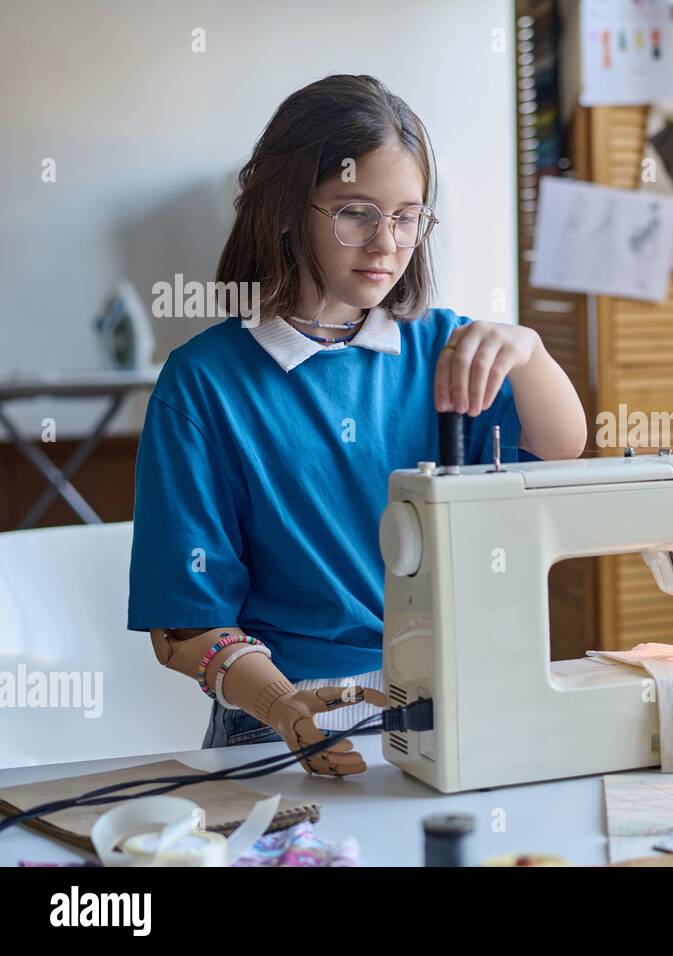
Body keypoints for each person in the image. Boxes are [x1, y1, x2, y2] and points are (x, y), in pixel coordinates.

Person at [127, 75, 586, 773]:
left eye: (407, 217)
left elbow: (563, 448)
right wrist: (285, 706)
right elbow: (184, 624)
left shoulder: (448, 349)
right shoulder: (204, 384)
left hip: (450, 700)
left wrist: (531, 350)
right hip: (281, 720)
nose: (386, 244)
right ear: (285, 209)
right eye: (356, 213)